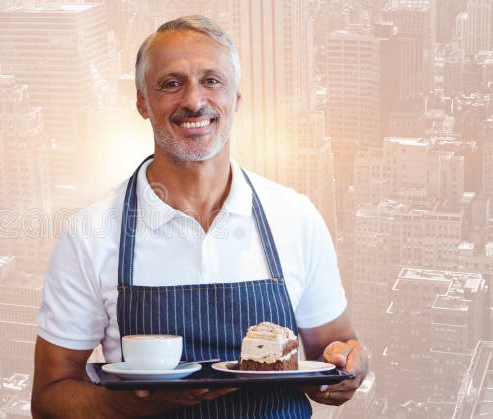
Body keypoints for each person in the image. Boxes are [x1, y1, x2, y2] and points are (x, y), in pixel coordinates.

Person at [31, 15, 368, 419]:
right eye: (171, 83)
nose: (194, 100)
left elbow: (336, 350)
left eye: (212, 81)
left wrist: (349, 369)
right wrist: (123, 404)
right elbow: (49, 399)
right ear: (142, 101)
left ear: (236, 98)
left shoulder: (295, 217)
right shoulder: (89, 234)